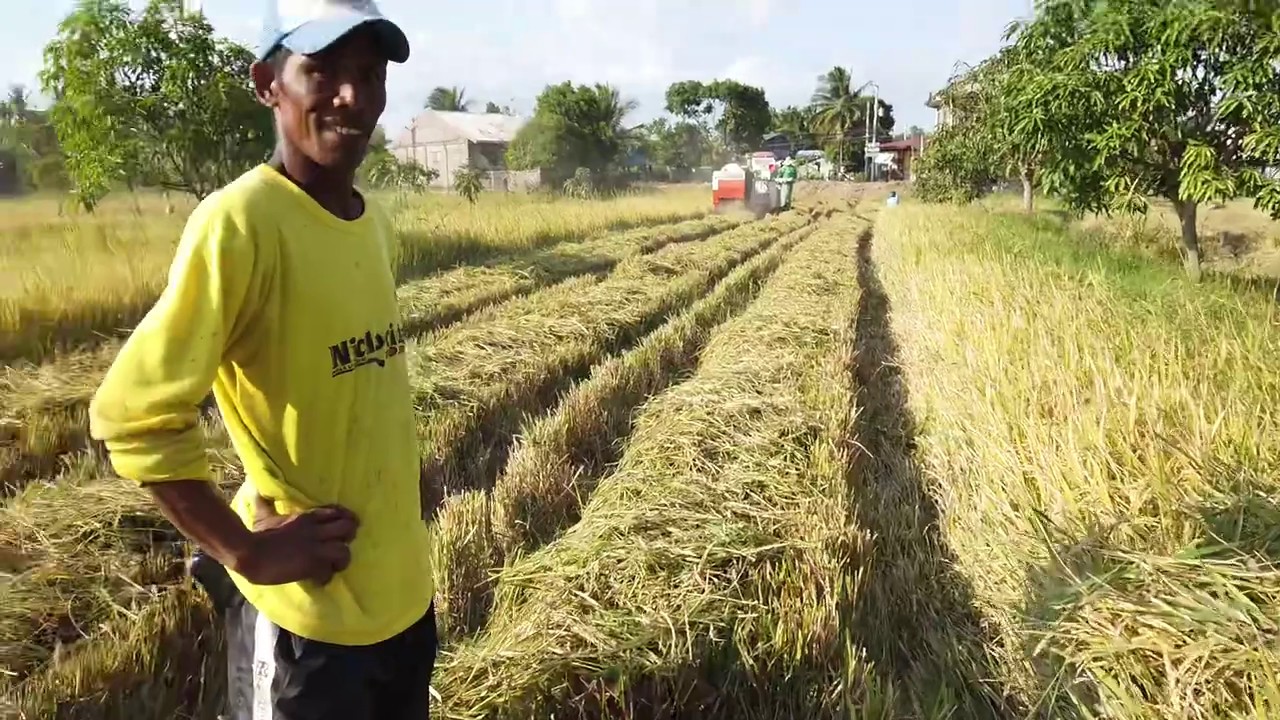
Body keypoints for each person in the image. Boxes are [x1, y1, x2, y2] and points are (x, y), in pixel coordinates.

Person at [86, 1, 437, 718]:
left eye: (369, 74)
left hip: (402, 604)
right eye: (324, 72)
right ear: (268, 83)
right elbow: (132, 416)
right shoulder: (239, 222)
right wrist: (243, 551)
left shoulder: (366, 221)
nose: (352, 96)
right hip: (307, 629)